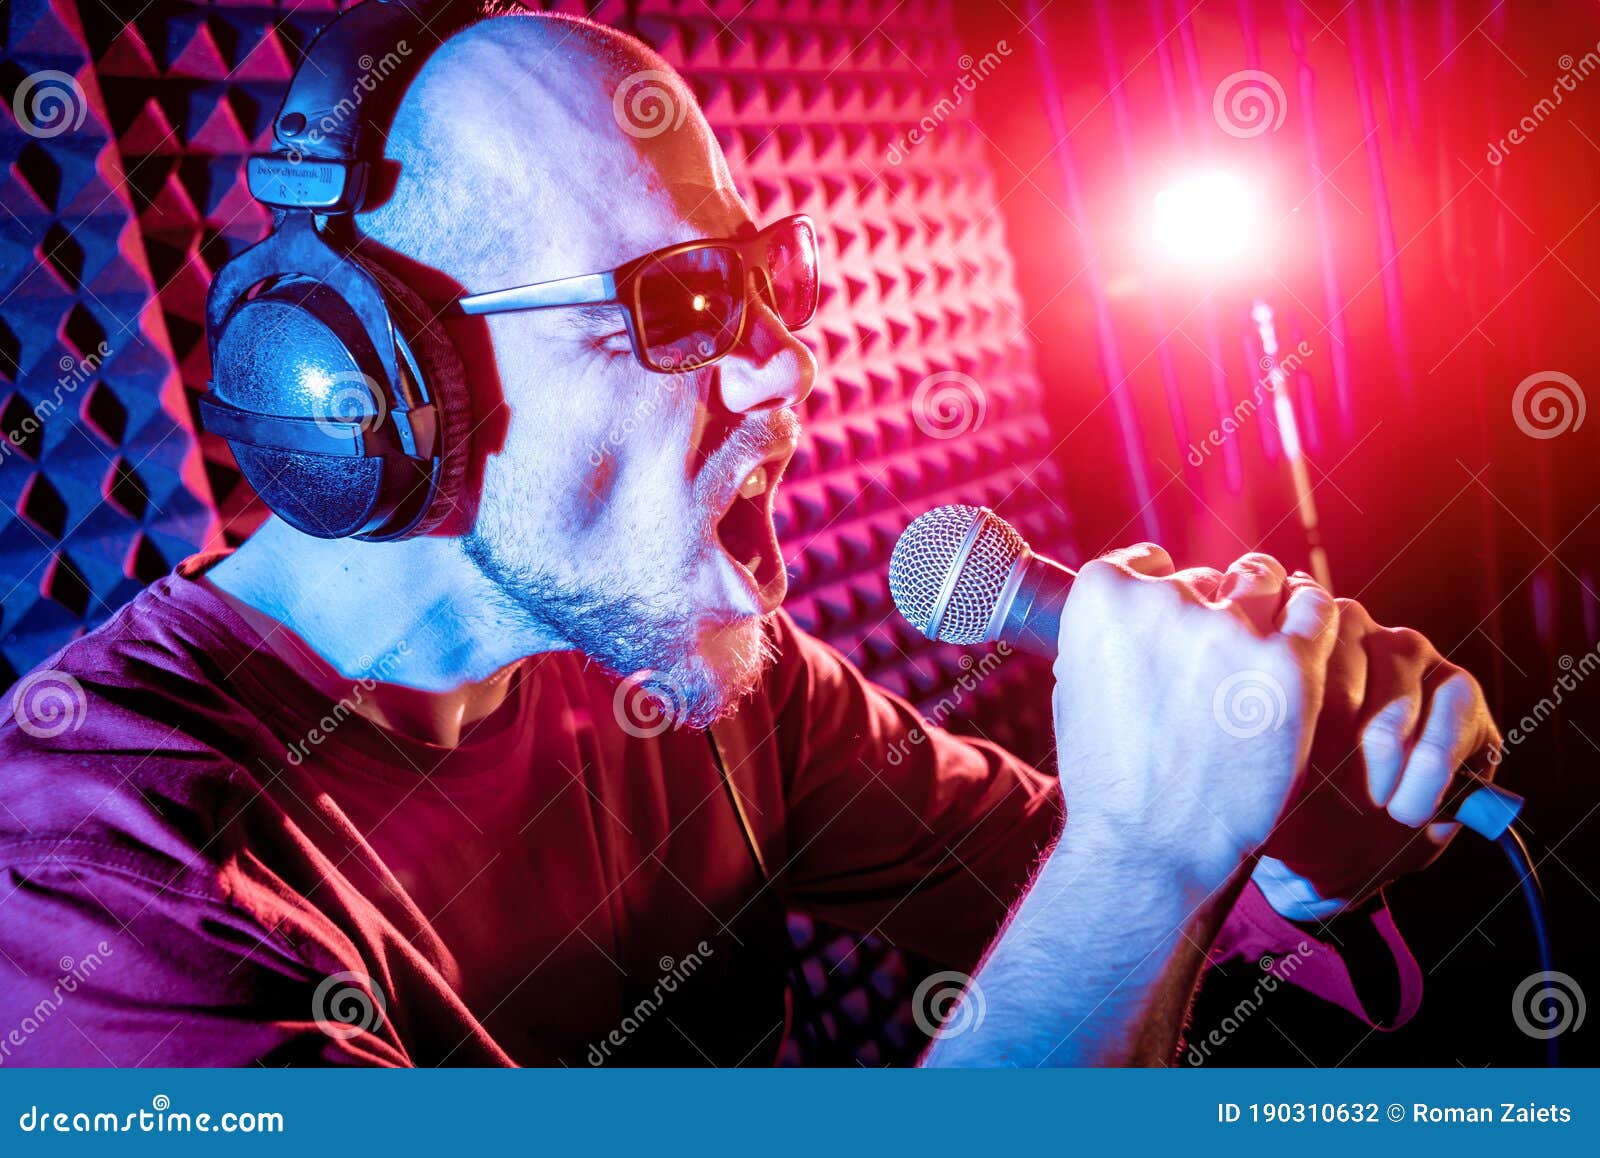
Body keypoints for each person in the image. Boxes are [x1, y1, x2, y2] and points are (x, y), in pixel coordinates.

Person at [0, 9, 1498, 1067]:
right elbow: (1123, 888)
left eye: (760, 281)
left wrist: (1289, 839)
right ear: (368, 392)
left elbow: (1112, 919)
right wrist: (1144, 855)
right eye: (672, 305)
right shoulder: (93, 879)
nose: (782, 364)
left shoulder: (714, 676)